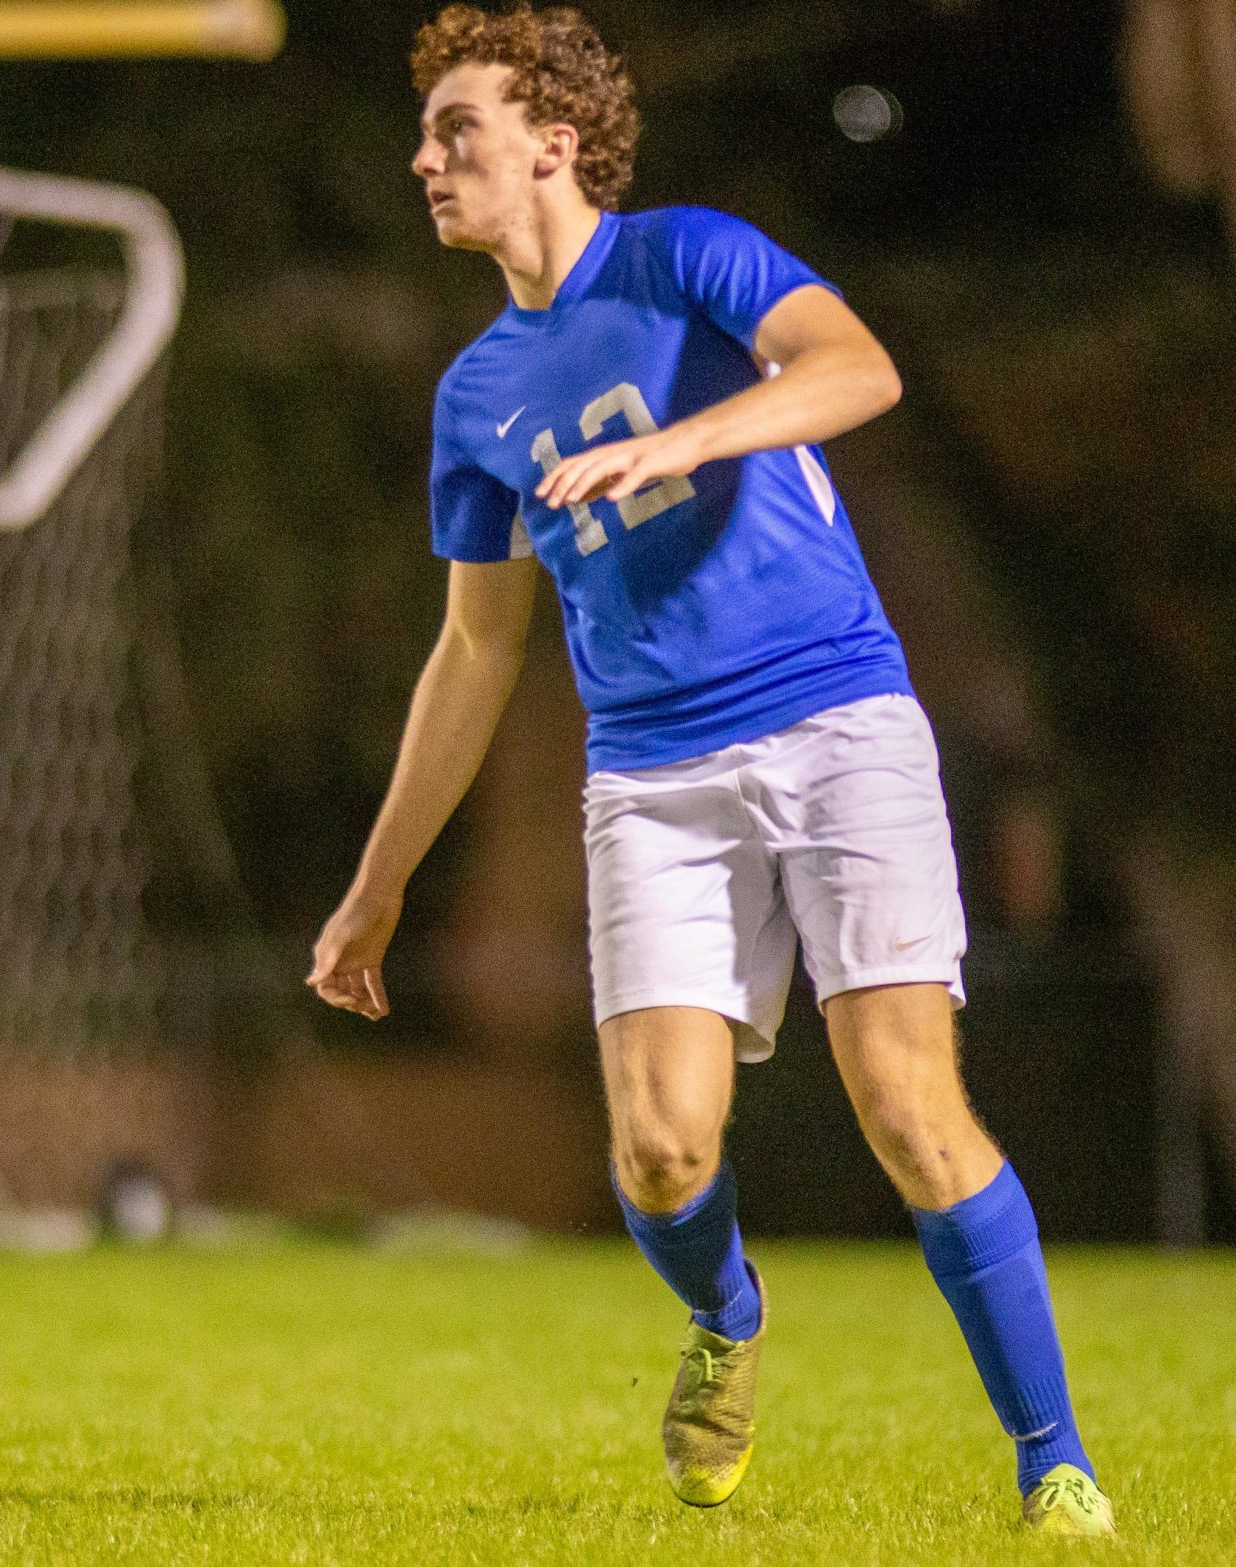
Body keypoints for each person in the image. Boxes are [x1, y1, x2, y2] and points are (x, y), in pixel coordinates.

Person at [305, 3, 1111, 1536]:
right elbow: (476, 653)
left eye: (453, 130)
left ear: (552, 140)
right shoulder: (475, 395)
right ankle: (728, 1320)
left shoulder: (688, 259)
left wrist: (684, 444)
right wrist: (377, 884)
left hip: (837, 719)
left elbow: (854, 369)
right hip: (654, 775)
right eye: (424, 137)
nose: (425, 160)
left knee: (905, 1104)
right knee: (664, 1147)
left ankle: (1052, 1460)